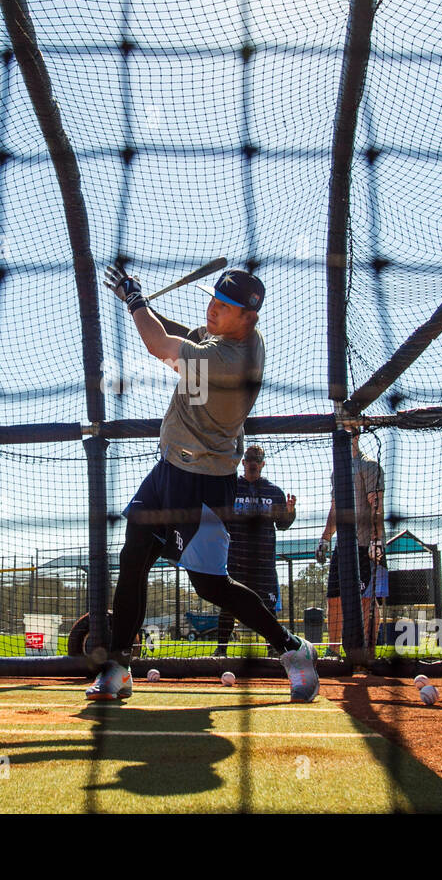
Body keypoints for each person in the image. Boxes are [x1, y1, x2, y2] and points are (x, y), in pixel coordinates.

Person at [88, 262, 319, 702]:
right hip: (169, 470)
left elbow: (160, 346)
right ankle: (118, 668)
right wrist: (146, 307)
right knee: (133, 558)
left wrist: (136, 301)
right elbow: (187, 336)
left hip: (204, 484)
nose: (213, 310)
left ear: (248, 319)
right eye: (213, 300)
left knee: (210, 586)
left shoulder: (228, 361)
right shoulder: (232, 338)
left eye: (226, 307)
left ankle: (293, 649)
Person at [213, 444, 296, 656]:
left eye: (257, 460)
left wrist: (290, 512)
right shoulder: (231, 488)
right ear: (243, 462)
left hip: (264, 563)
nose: (253, 463)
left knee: (267, 607)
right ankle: (221, 650)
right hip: (235, 560)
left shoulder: (273, 492)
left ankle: (274, 650)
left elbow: (283, 524)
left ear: (263, 464)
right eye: (249, 459)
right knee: (229, 606)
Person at [315, 426, 386, 658]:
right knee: (334, 598)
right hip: (343, 547)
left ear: (356, 435)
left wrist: (377, 539)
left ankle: (368, 652)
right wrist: (325, 538)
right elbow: (336, 508)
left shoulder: (369, 466)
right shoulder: (339, 470)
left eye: (350, 433)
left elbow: (376, 505)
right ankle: (333, 651)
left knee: (366, 600)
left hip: (365, 545)